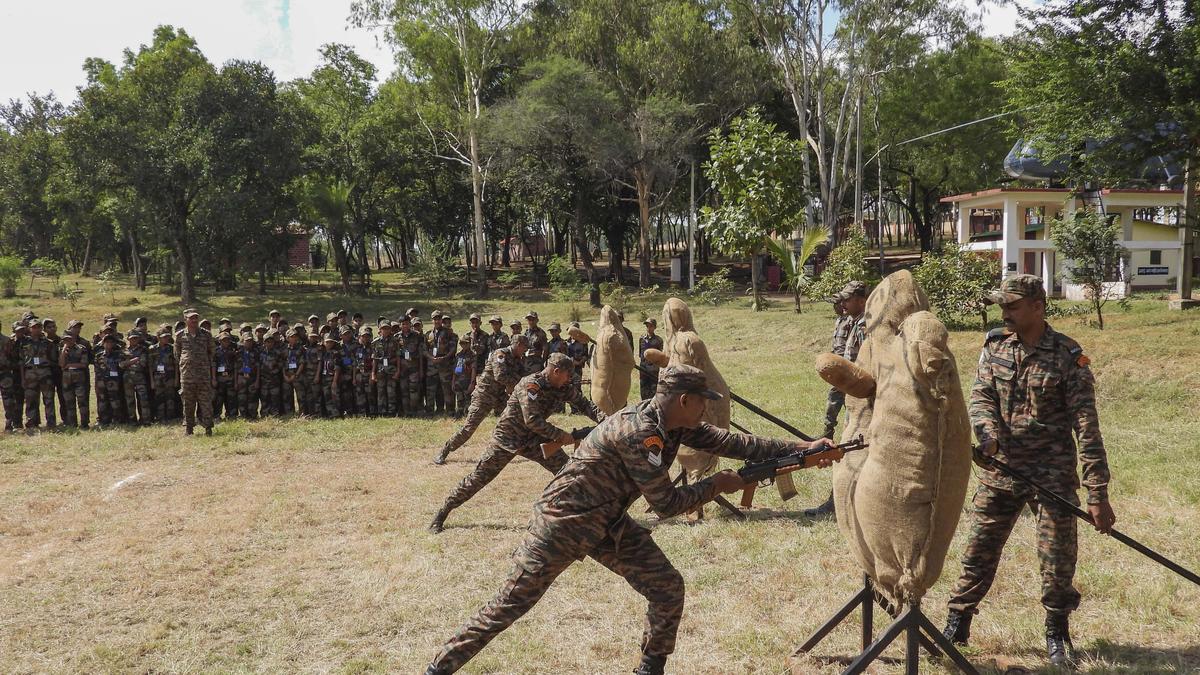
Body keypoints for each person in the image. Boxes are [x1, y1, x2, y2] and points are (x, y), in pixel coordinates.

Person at [423, 365, 835, 675]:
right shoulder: (640, 432)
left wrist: (802, 448)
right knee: (509, 606)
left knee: (666, 587)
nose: (707, 408)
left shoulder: (674, 424)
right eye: (703, 401)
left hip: (606, 520)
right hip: (563, 522)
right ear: (684, 400)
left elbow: (734, 442)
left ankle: (650, 669)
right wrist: (718, 485)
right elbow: (666, 504)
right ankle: (438, 668)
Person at [943, 274, 1114, 667]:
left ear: (1038, 307)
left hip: (1050, 473)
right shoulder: (995, 346)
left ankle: (1057, 631)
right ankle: (958, 622)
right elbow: (982, 395)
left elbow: (1086, 425)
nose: (1005, 313)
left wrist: (1097, 492)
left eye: (1013, 306)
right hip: (1001, 469)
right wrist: (986, 434)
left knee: (1057, 558)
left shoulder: (1068, 356)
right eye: (1002, 306)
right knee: (978, 550)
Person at [428, 353, 605, 534]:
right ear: (556, 371)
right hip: (507, 438)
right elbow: (532, 420)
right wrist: (561, 436)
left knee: (568, 471)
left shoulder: (562, 387)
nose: (569, 380)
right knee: (478, 479)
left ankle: (575, 516)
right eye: (567, 375)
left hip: (534, 440)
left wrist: (607, 420)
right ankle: (442, 513)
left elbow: (585, 404)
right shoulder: (530, 385)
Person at [806, 280, 868, 518]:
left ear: (861, 300)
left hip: (860, 398)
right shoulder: (852, 322)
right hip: (850, 393)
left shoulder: (865, 326)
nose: (843, 303)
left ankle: (839, 502)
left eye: (847, 299)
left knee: (850, 448)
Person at [433, 335, 529, 465]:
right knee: (469, 428)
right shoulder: (500, 354)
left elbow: (524, 377)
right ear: (518, 344)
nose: (526, 350)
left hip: (500, 397)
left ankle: (522, 448)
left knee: (518, 419)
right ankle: (444, 451)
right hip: (484, 395)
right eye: (524, 347)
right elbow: (500, 376)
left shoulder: (518, 359)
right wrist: (515, 383)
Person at [176, 309, 216, 436]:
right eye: (191, 318)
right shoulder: (179, 335)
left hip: (203, 376)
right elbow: (177, 354)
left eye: (196, 318)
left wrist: (203, 364)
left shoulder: (206, 334)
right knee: (188, 403)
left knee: (206, 403)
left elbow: (212, 352)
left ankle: (208, 428)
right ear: (185, 320)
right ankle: (189, 429)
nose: (194, 320)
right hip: (187, 376)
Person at [821, 295, 850, 439]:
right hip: (837, 366)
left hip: (847, 367)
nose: (834, 308)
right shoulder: (839, 320)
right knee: (836, 398)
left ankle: (844, 431)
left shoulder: (851, 321)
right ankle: (829, 430)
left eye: (836, 304)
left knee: (844, 399)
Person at [19, 319, 57, 429]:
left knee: (48, 399)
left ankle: (51, 423)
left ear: (41, 328)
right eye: (34, 327)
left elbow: (53, 360)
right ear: (29, 329)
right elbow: (21, 362)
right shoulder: (23, 343)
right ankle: (32, 423)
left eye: (38, 327)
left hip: (45, 372)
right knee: (31, 400)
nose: (36, 329)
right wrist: (23, 378)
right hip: (30, 373)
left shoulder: (48, 343)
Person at [96, 334, 130, 426]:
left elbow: (123, 366)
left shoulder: (119, 355)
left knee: (115, 401)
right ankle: (104, 420)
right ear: (103, 343)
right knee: (103, 401)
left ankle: (117, 420)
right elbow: (97, 369)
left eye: (111, 342)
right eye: (107, 342)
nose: (109, 344)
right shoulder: (99, 355)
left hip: (114, 382)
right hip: (102, 382)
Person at [58, 332, 91, 429]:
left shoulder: (81, 348)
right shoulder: (62, 349)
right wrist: (63, 351)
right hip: (67, 380)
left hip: (79, 379)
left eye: (69, 339)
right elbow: (61, 364)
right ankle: (72, 423)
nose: (68, 341)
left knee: (82, 402)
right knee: (69, 402)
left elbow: (84, 364)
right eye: (65, 340)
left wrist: (69, 365)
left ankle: (84, 423)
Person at [149, 328, 180, 423]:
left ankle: (170, 417)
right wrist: (152, 381)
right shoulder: (152, 349)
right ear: (158, 338)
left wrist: (176, 379)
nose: (166, 338)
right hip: (157, 377)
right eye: (164, 337)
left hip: (170, 377)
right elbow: (150, 366)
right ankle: (160, 417)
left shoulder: (172, 348)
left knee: (170, 397)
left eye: (167, 336)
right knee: (159, 397)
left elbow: (176, 364)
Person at [397, 317, 425, 416]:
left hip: (414, 368)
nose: (405, 326)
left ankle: (414, 411)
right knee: (404, 390)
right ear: (400, 325)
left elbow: (421, 354)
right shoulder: (396, 337)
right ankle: (406, 411)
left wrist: (421, 369)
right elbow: (397, 355)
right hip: (403, 368)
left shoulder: (417, 335)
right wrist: (398, 370)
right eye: (403, 324)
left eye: (407, 323)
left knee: (414, 390)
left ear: (410, 324)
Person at [373, 321, 400, 417]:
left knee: (391, 391)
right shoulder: (375, 342)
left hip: (391, 369)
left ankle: (391, 411)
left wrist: (398, 371)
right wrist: (373, 373)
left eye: (387, 328)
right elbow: (374, 359)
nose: (385, 330)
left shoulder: (395, 341)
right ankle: (382, 411)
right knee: (381, 391)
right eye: (383, 328)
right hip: (380, 370)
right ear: (380, 330)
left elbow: (398, 357)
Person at [0, 322, 21, 430]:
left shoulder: (7, 341)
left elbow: (13, 357)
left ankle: (9, 424)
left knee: (8, 400)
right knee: (8, 399)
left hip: (5, 372)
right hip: (6, 371)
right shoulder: (7, 340)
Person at [214, 332, 239, 420]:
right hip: (219, 378)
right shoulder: (216, 352)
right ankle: (217, 415)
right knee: (219, 398)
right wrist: (214, 378)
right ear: (220, 341)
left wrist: (235, 381)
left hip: (230, 377)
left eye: (228, 340)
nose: (226, 342)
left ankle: (231, 415)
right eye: (224, 340)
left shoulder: (233, 352)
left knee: (231, 398)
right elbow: (213, 365)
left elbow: (235, 367)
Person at [258, 330, 284, 416]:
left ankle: (275, 412)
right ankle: (264, 413)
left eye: (271, 342)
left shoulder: (277, 352)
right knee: (264, 397)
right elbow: (257, 365)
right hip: (263, 379)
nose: (269, 343)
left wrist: (274, 370)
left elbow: (281, 365)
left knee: (275, 397)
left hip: (274, 379)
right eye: (267, 342)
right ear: (264, 342)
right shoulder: (260, 352)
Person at [637, 318, 664, 401]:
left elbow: (661, 356)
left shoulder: (658, 340)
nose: (649, 328)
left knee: (654, 390)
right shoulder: (642, 339)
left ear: (655, 327)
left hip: (654, 370)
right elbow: (640, 354)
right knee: (643, 389)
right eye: (647, 326)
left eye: (651, 326)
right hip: (643, 369)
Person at [450, 336, 476, 418]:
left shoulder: (473, 355)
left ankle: (467, 416)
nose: (463, 345)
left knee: (468, 400)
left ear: (469, 344)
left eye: (466, 343)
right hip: (458, 381)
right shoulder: (458, 355)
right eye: (462, 343)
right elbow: (455, 370)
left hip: (467, 381)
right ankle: (459, 414)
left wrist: (472, 383)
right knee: (459, 399)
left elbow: (474, 370)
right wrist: (453, 382)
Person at [282, 329, 306, 415]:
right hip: (287, 376)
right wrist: (285, 376)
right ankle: (289, 413)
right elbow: (282, 363)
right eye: (292, 337)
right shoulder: (284, 349)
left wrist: (296, 375)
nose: (294, 338)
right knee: (287, 396)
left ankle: (302, 413)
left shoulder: (301, 348)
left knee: (301, 396)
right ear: (287, 338)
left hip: (298, 376)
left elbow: (302, 363)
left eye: (295, 336)